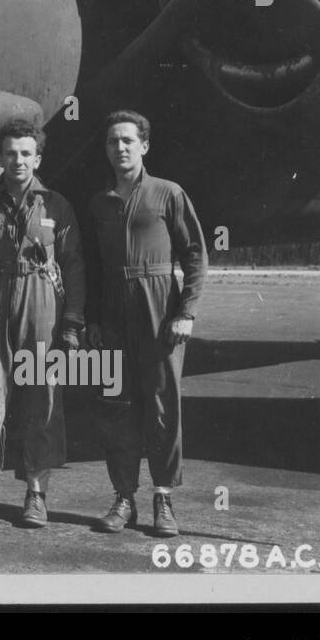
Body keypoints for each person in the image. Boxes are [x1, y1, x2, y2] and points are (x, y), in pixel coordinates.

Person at [0, 121, 85, 530]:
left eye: (26, 153)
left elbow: (74, 266)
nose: (18, 160)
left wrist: (71, 325)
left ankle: (36, 495)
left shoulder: (57, 206)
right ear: (0, 158)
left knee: (42, 397)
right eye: (11, 153)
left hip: (40, 299)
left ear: (38, 158)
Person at [86, 110, 207, 537]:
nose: (119, 148)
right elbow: (96, 268)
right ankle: (123, 499)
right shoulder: (99, 202)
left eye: (127, 141)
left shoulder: (168, 193)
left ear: (144, 146)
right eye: (112, 141)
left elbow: (194, 254)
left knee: (161, 405)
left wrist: (186, 312)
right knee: (115, 404)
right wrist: (95, 320)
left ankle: (163, 499)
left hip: (158, 307)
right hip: (113, 311)